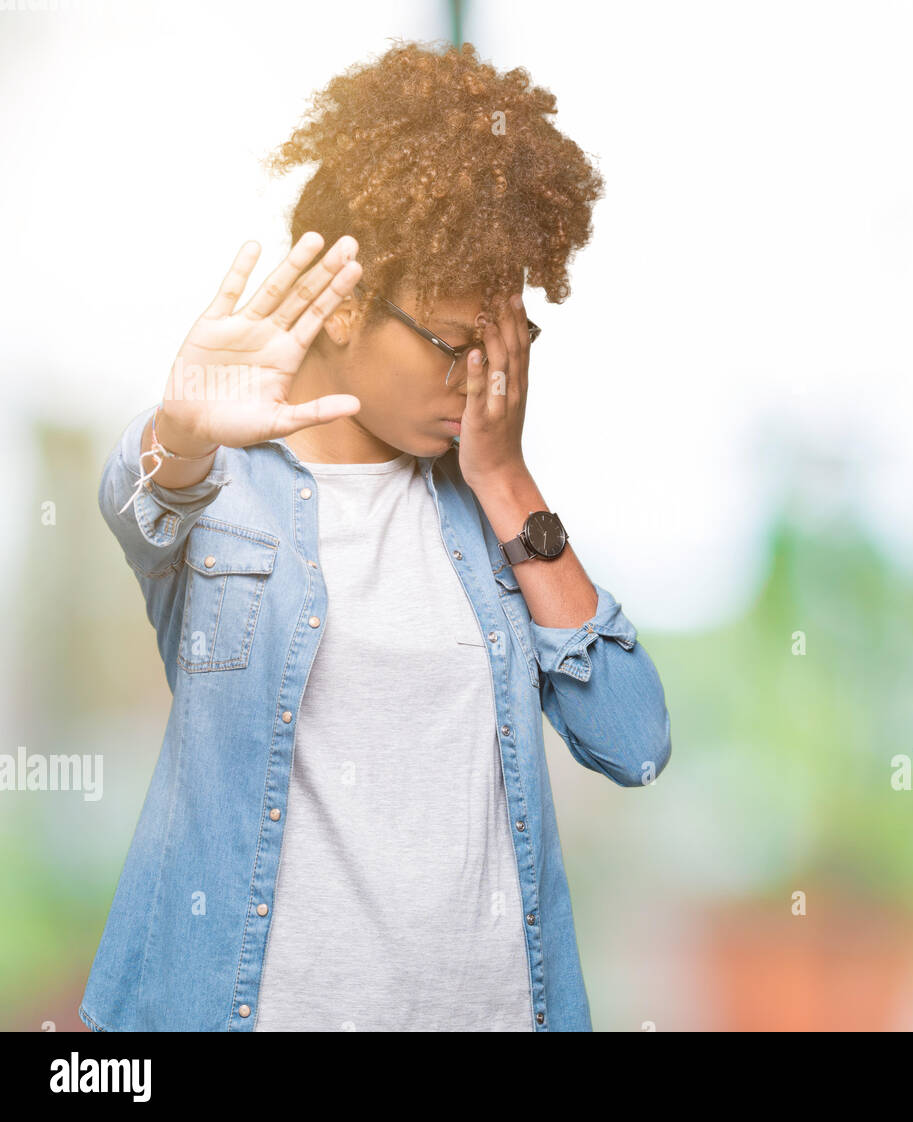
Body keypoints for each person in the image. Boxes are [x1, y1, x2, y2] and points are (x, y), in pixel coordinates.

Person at [79, 40, 671, 1032]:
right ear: (349, 302)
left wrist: (504, 474)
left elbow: (635, 743)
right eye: (453, 345)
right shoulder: (221, 490)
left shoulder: (496, 517)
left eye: (505, 348)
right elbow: (139, 497)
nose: (482, 383)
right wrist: (178, 432)